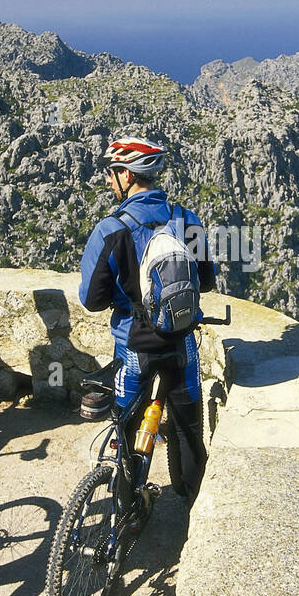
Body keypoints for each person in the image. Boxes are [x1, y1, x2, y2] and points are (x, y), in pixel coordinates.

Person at [78, 133, 216, 506]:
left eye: (112, 173)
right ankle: (192, 510)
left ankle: (124, 507)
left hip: (135, 346)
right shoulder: (187, 219)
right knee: (188, 431)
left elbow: (91, 300)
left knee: (125, 428)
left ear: (127, 175)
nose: (109, 180)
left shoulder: (111, 229)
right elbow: (205, 280)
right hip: (183, 344)